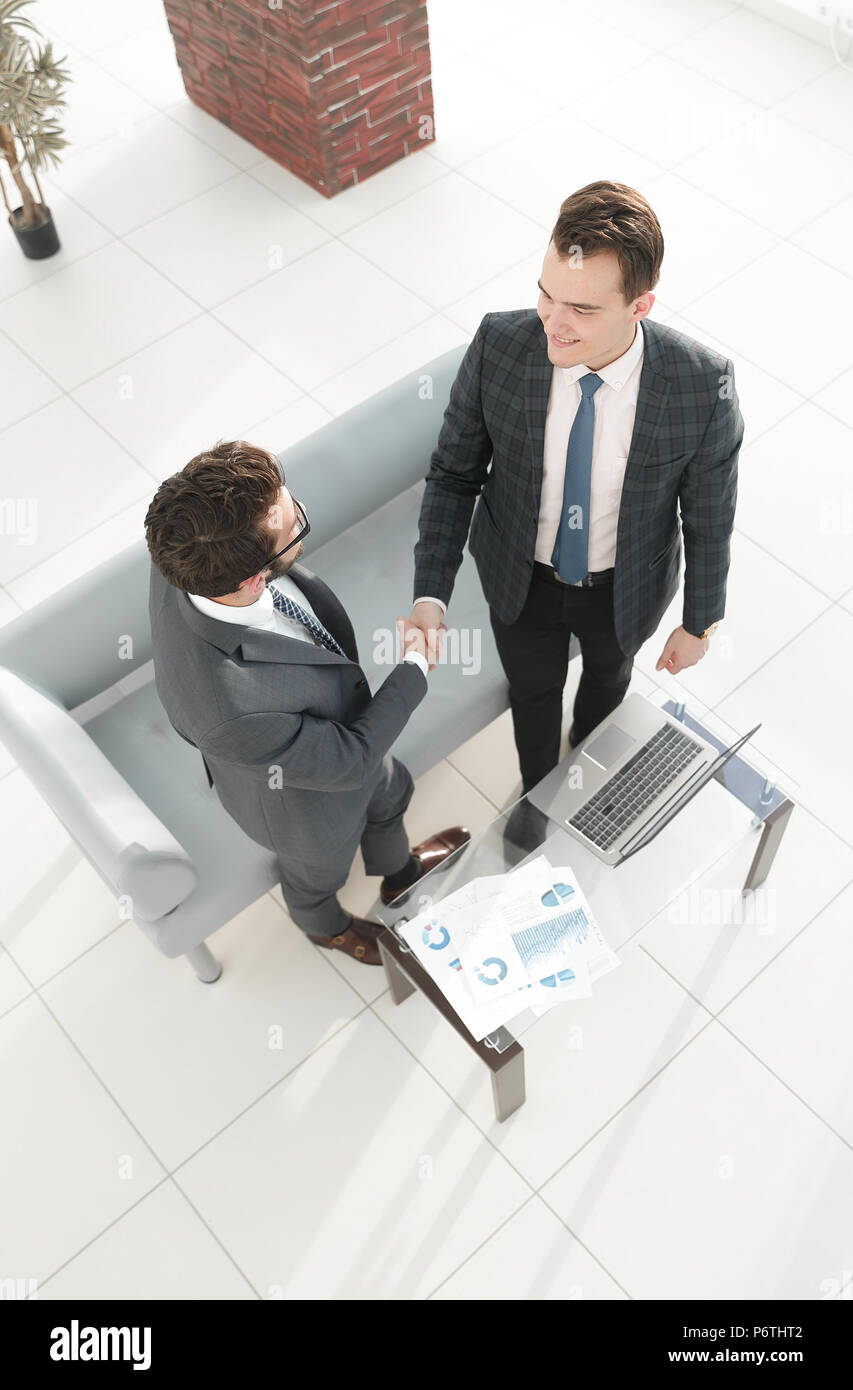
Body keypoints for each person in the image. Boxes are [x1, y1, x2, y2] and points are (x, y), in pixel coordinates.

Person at [408, 179, 743, 821]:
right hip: (518, 577)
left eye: (582, 310)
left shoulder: (703, 386)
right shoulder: (500, 345)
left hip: (624, 586)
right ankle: (539, 799)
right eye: (546, 294)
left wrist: (700, 621)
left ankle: (586, 787)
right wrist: (430, 593)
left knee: (606, 689)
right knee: (532, 694)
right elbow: (454, 475)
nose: (552, 324)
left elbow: (709, 519)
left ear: (640, 305)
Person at [145, 441, 468, 967]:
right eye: (294, 522)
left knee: (388, 794)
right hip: (304, 807)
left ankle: (399, 878)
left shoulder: (182, 547)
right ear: (252, 578)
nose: (298, 511)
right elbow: (349, 761)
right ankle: (326, 928)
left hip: (342, 727)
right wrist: (415, 665)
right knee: (317, 875)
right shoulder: (232, 708)